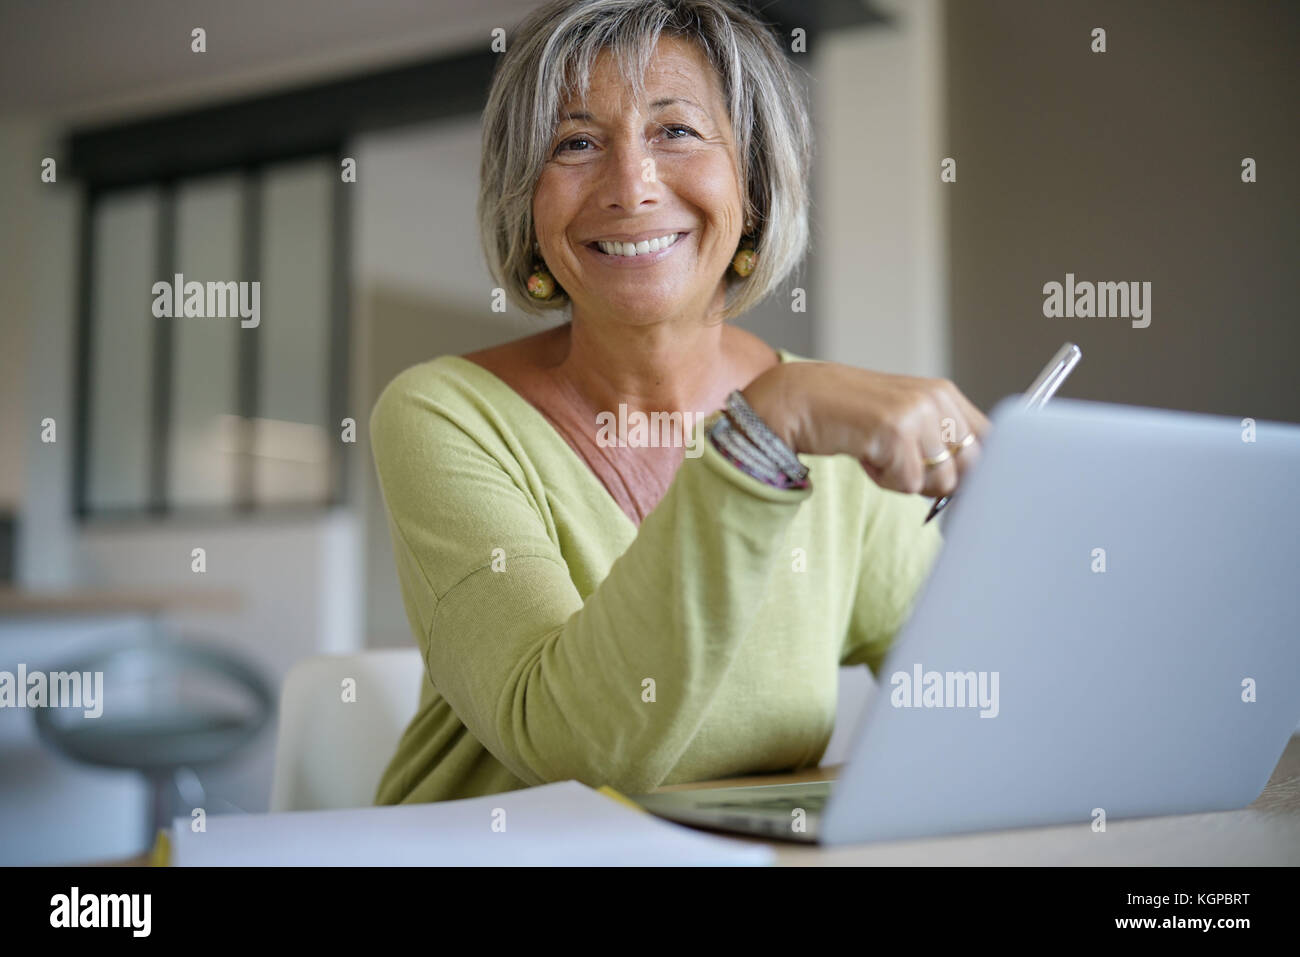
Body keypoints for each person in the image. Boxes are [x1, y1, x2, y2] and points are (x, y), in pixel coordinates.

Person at [370, 0, 989, 806]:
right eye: (576, 143)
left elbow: (975, 691)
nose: (631, 186)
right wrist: (763, 434)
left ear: (754, 185)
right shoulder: (443, 414)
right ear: (528, 204)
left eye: (677, 132)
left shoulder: (829, 432)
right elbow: (574, 751)